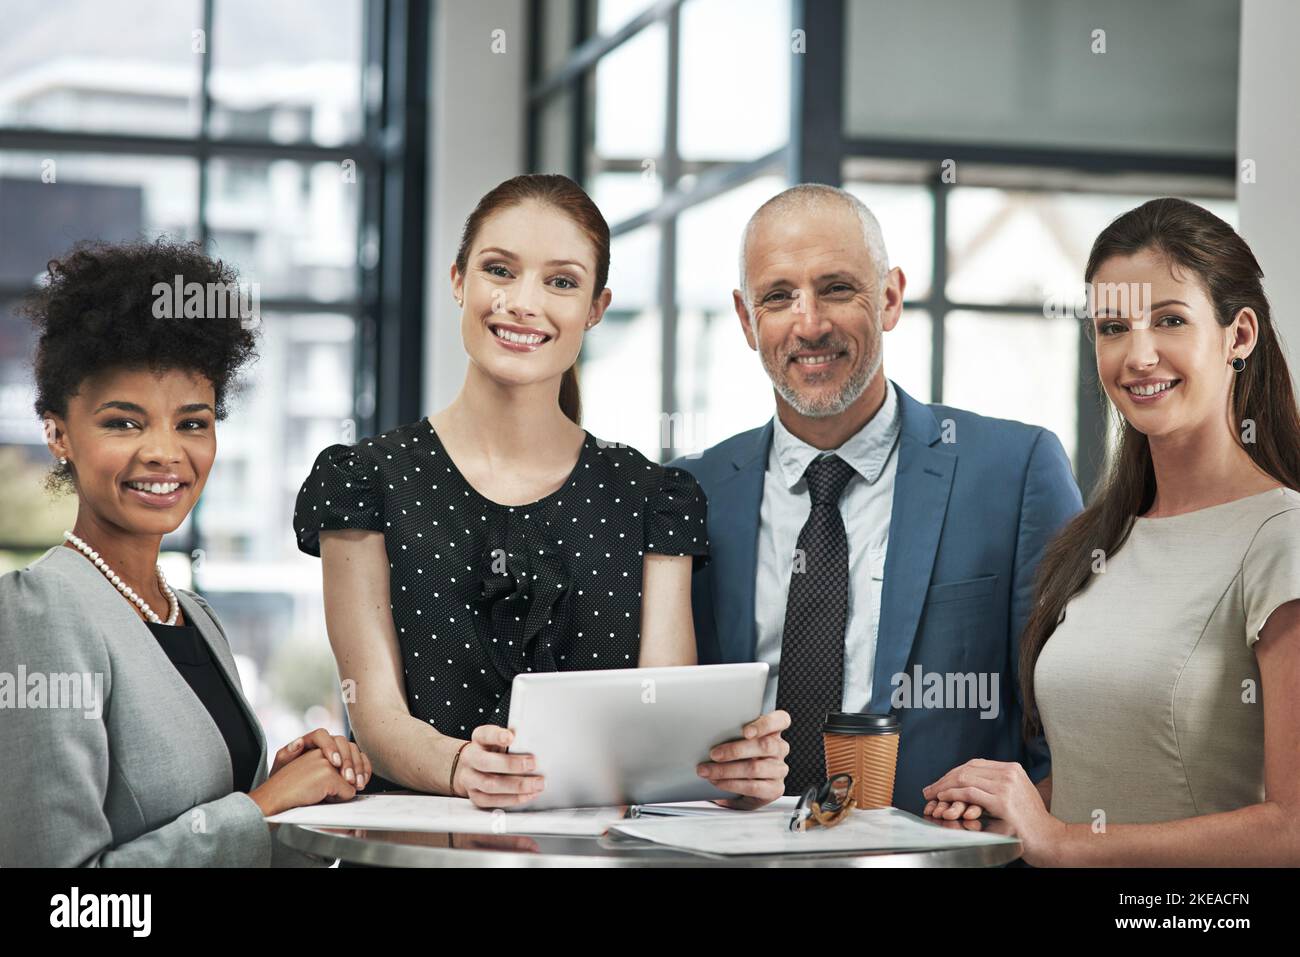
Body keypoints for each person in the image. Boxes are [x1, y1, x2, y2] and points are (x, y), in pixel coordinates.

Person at [294, 174, 790, 810]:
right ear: (458, 280)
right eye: (499, 270)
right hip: (420, 850)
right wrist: (459, 767)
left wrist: (733, 774)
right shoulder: (367, 481)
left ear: (596, 308)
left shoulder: (654, 496)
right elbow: (376, 716)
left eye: (561, 281)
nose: (523, 303)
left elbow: (660, 720)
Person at [670, 184, 1083, 811]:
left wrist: (1010, 829)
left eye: (836, 288)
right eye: (778, 297)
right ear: (746, 320)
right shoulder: (687, 493)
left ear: (889, 297)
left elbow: (1071, 729)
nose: (809, 324)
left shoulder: (1016, 471)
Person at [922, 198, 1300, 866]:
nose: (1138, 355)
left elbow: (1292, 828)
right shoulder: (1098, 540)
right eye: (1113, 327)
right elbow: (1115, 778)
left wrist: (1065, 841)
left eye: (1170, 320)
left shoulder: (1282, 537)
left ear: (1239, 336)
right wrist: (1014, 812)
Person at [0, 239, 370, 867]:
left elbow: (232, 846)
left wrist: (294, 797)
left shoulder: (193, 616)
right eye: (123, 422)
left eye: (192, 423)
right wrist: (260, 808)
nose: (165, 453)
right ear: (59, 433)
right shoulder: (41, 611)